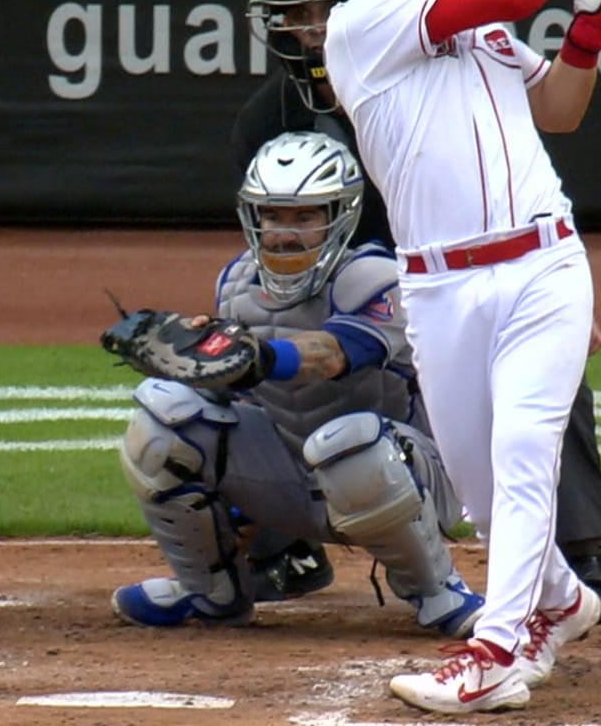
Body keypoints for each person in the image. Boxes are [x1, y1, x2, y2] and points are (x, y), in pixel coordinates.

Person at [310, 0, 601, 713]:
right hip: (439, 284)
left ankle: (493, 650)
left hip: (542, 263)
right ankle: (563, 603)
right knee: (482, 491)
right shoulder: (360, 26)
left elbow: (558, 109)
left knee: (526, 448)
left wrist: (591, 29)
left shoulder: (480, 29)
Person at [234, 0, 601, 625]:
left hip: (435, 273)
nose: (315, 28)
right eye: (299, 17)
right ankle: (279, 546)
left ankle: (580, 556)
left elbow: (523, 153)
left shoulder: (438, 67)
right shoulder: (268, 118)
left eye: (326, 9)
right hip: (344, 290)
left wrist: (554, 287)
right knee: (260, 341)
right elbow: (264, 245)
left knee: (546, 373)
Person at [110, 131, 486, 639]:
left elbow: (332, 356)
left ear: (340, 215)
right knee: (164, 415)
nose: (284, 233)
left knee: (349, 442)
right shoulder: (237, 284)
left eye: (304, 217)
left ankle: (438, 592)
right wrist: (201, 367)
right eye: (273, 216)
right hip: (292, 480)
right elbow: (238, 401)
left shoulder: (377, 279)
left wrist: (253, 356)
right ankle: (212, 591)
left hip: (410, 476)